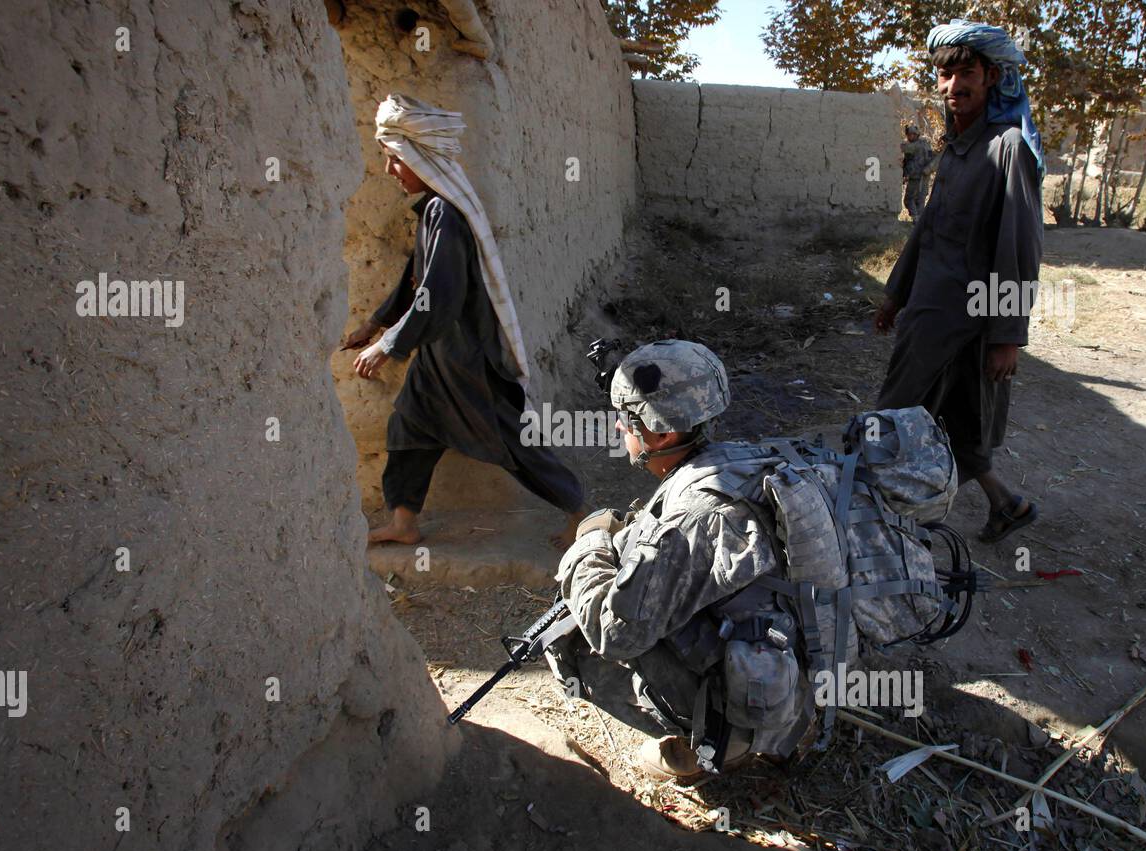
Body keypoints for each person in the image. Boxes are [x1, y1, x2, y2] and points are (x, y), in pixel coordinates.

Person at [552, 341, 823, 783]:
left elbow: (612, 631)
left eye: (624, 421)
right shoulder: (750, 460)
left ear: (660, 435)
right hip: (804, 661)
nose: (619, 431)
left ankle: (713, 749)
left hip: (764, 689)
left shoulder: (693, 517)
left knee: (573, 639)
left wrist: (590, 543)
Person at [343, 94, 586, 547]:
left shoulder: (445, 215)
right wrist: (375, 324)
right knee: (409, 426)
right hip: (439, 353)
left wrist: (390, 345)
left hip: (465, 355)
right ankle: (403, 521)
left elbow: (438, 297)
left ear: (420, 158)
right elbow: (415, 278)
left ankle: (580, 514)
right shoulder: (433, 212)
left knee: (508, 438)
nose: (389, 170)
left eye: (394, 160)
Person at [874, 20, 1044, 544]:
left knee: (892, 418)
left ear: (992, 76)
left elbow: (1018, 245)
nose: (953, 87)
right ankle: (1007, 505)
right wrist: (895, 292)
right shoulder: (955, 150)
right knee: (955, 419)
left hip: (972, 320)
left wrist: (1008, 336)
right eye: (945, 76)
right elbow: (927, 229)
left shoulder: (1008, 148)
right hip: (930, 312)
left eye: (965, 73)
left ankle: (885, 526)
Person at [901, 124, 935, 219]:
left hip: (917, 177)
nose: (911, 136)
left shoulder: (914, 146)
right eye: (909, 134)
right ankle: (919, 223)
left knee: (909, 199)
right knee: (920, 201)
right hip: (924, 176)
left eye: (913, 134)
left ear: (917, 135)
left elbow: (902, 149)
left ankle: (916, 219)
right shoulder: (926, 143)